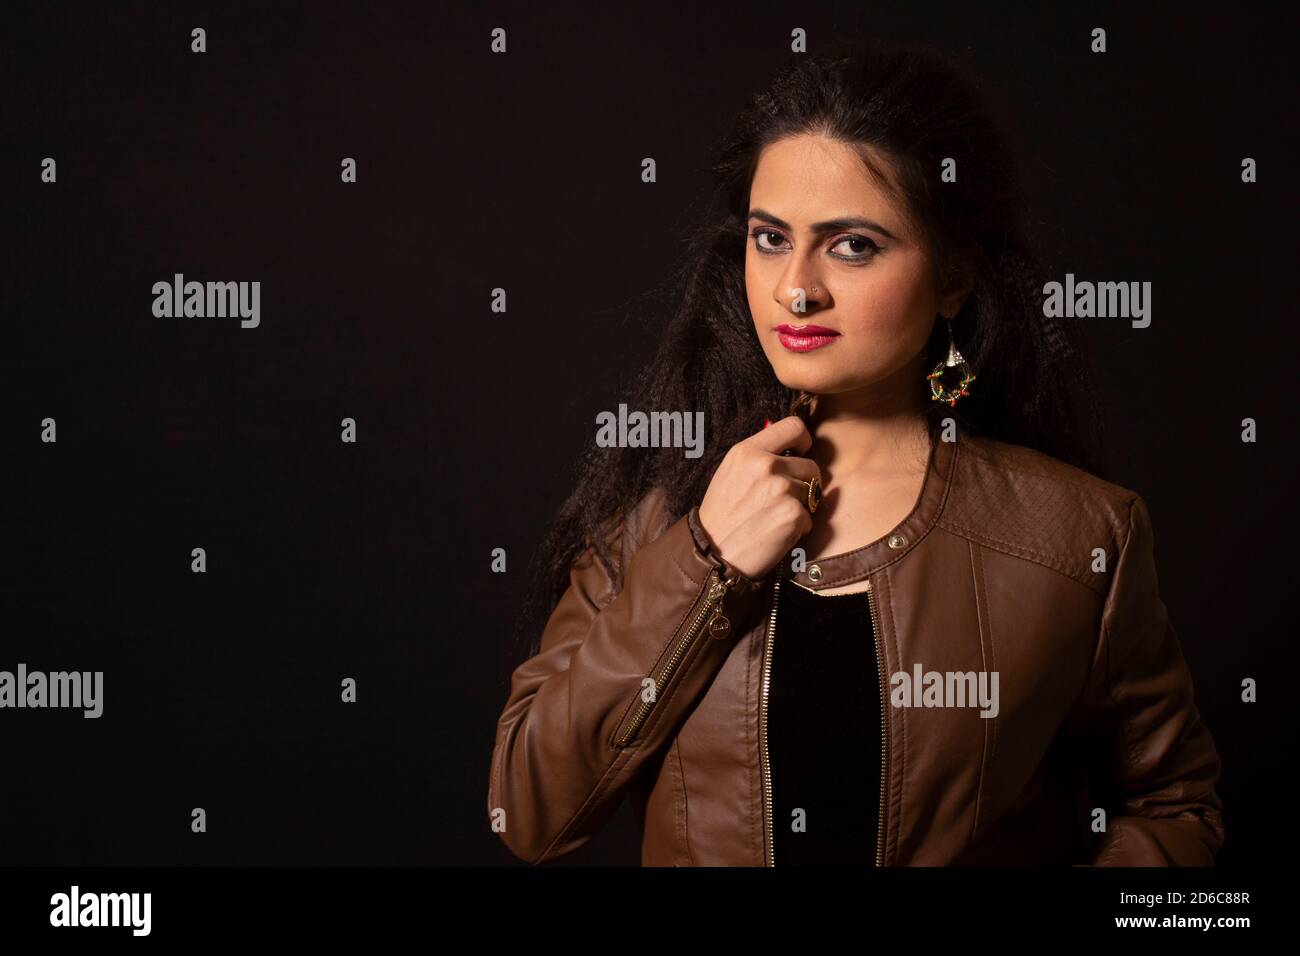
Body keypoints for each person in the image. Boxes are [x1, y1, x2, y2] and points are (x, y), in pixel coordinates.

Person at [487, 40, 1224, 866]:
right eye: (770, 238)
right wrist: (707, 565)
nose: (795, 287)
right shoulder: (660, 512)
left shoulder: (1080, 534)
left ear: (953, 276)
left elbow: (1175, 808)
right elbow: (525, 816)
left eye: (854, 245)